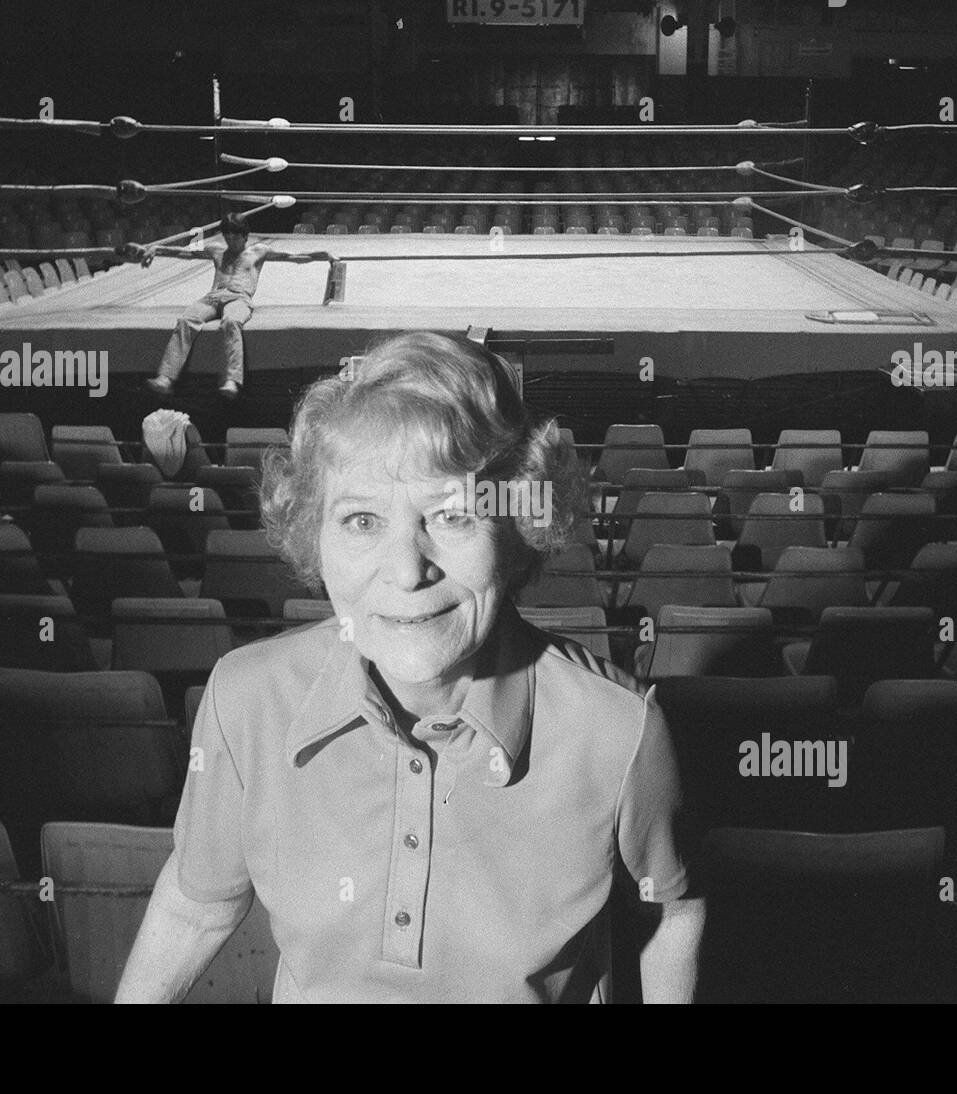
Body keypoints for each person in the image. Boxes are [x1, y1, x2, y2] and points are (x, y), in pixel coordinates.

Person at [115, 331, 705, 1003]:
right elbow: (196, 907)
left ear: (517, 533)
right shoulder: (244, 699)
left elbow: (672, 912)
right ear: (314, 535)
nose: (405, 570)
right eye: (362, 521)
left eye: (452, 517)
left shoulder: (620, 732)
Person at [131, 213, 333, 399]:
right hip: (212, 297)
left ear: (245, 236)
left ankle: (232, 380)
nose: (231, 241)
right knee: (186, 320)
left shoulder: (258, 252)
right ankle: (166, 378)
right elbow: (186, 254)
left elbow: (293, 257)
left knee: (231, 322)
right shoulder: (216, 250)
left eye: (235, 237)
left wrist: (322, 254)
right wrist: (157, 249)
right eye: (227, 236)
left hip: (239, 298)